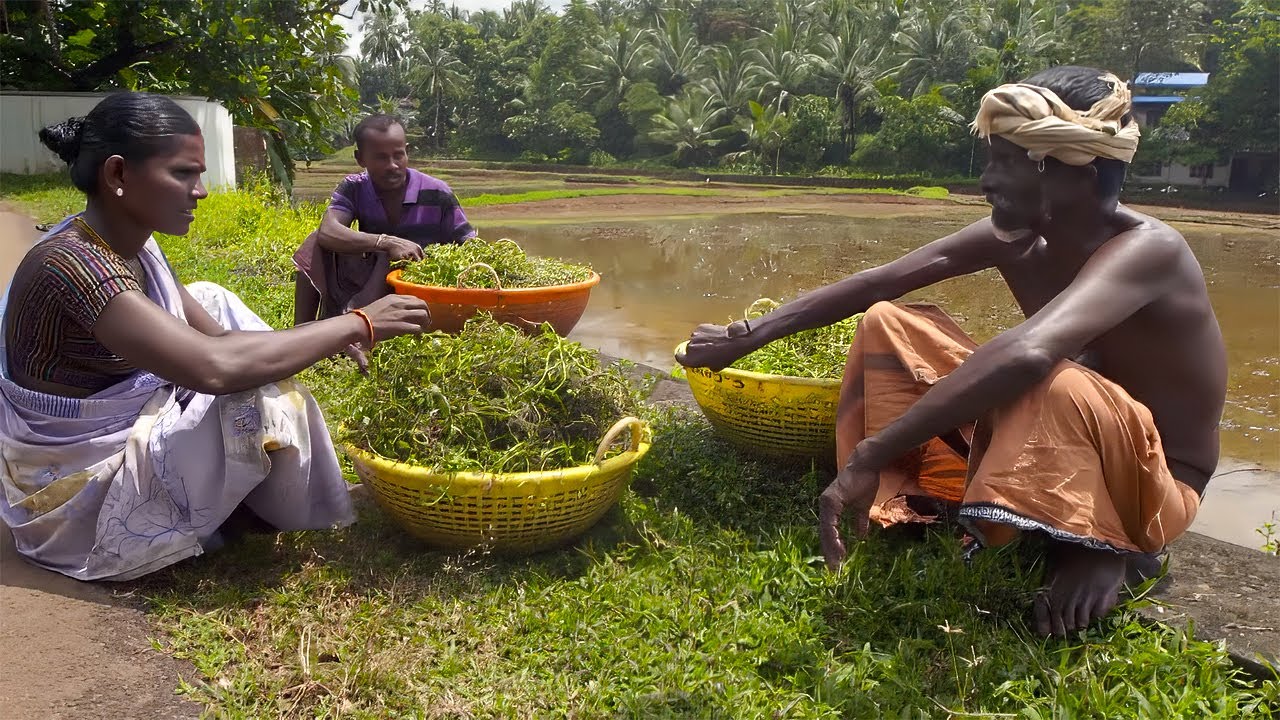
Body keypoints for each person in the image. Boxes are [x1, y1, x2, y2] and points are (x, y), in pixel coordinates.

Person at [677, 66, 1226, 637]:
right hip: (1072, 430)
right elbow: (878, 283)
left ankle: (1106, 544)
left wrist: (869, 453)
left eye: (1004, 162)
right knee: (889, 323)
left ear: (1060, 165)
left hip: (1154, 482)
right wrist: (748, 334)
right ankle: (938, 494)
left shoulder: (1149, 250)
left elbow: (1029, 353)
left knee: (1044, 373)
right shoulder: (1020, 235)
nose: (986, 181)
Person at [0, 93, 433, 581]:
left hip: (126, 418)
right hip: (74, 491)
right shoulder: (74, 265)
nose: (200, 191)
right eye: (184, 174)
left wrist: (327, 331)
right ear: (118, 175)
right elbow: (215, 367)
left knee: (211, 299)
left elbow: (221, 336)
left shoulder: (132, 247)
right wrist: (358, 323)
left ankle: (240, 496)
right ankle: (263, 511)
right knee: (257, 399)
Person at [292, 114, 476, 329]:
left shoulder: (437, 193)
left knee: (393, 260)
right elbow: (328, 231)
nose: (392, 165)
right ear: (361, 158)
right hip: (372, 279)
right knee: (315, 242)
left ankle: (355, 317)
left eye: (398, 155)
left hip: (421, 283)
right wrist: (386, 242)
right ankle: (301, 330)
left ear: (407, 151)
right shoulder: (355, 187)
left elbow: (470, 244)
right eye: (381, 158)